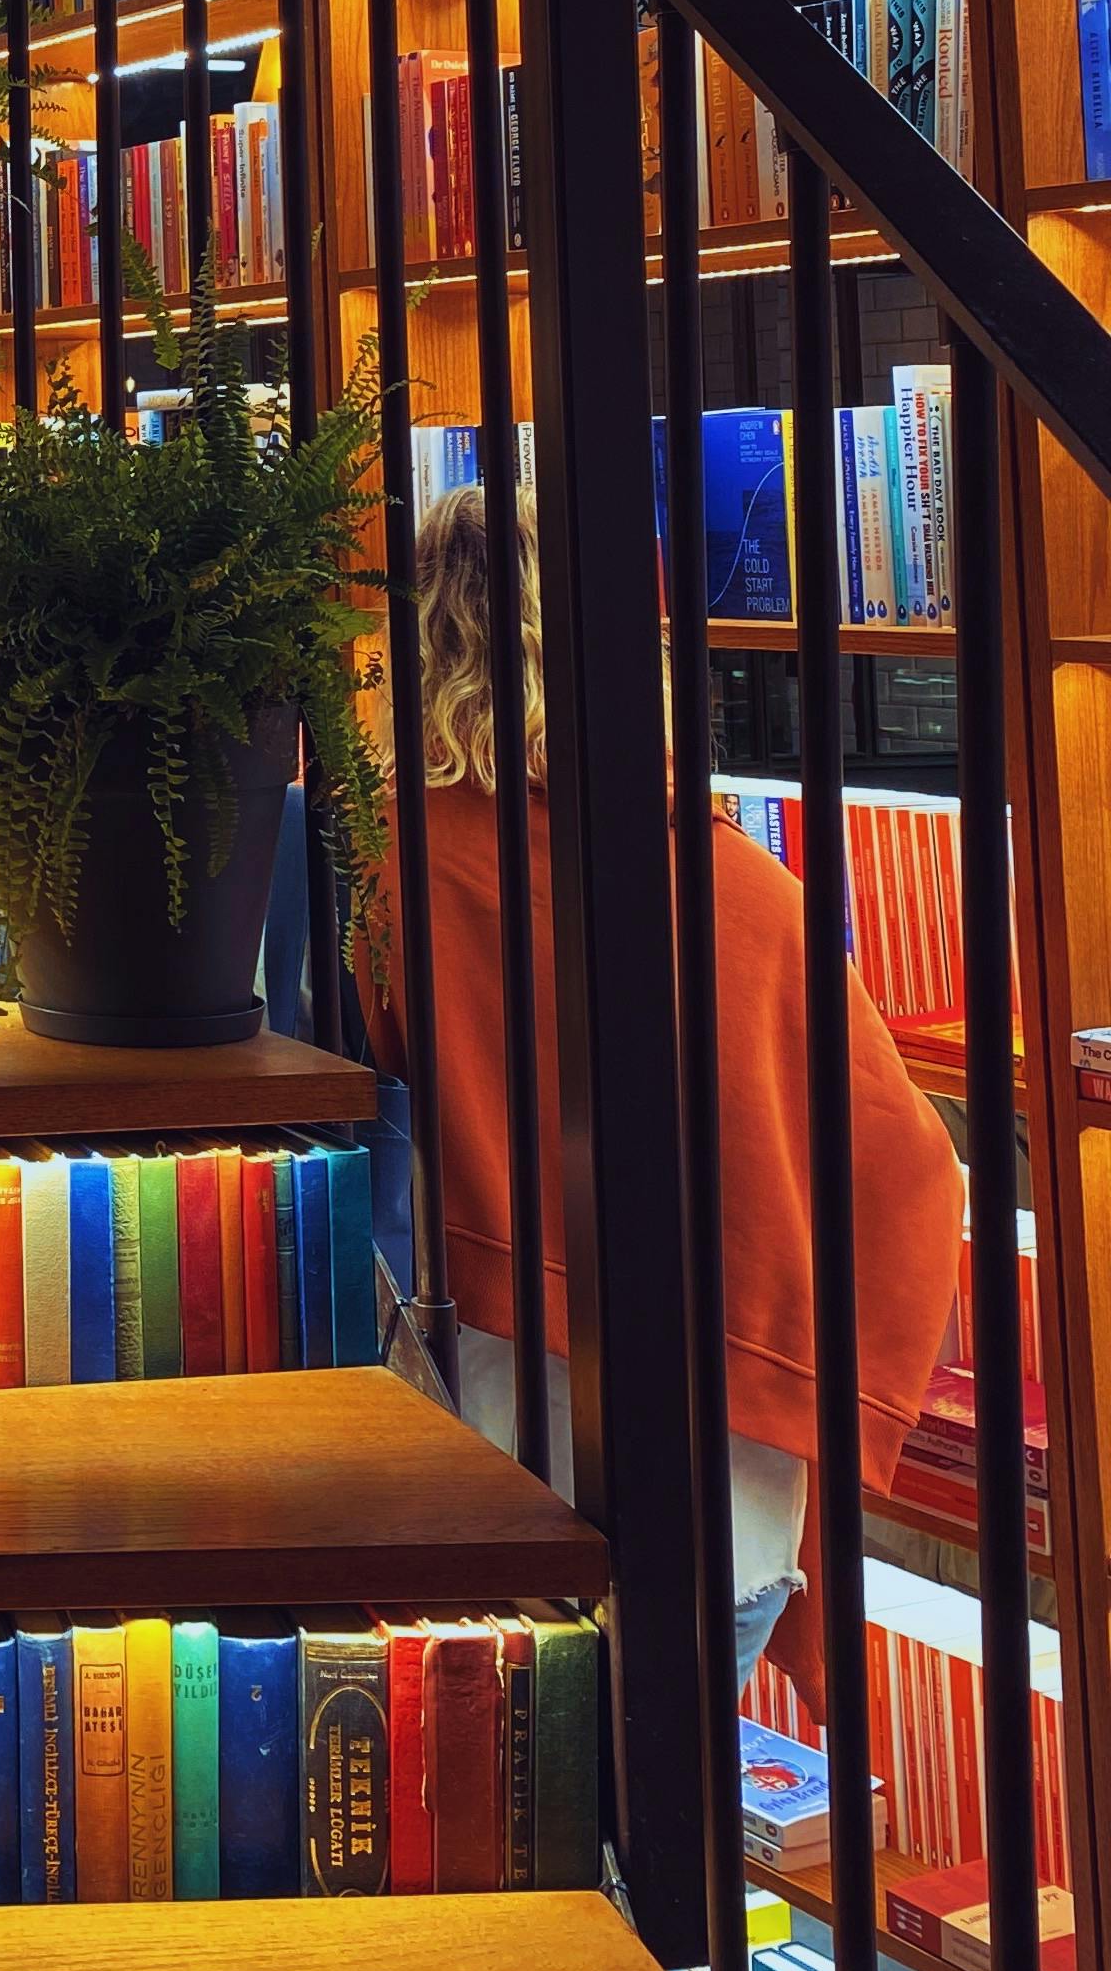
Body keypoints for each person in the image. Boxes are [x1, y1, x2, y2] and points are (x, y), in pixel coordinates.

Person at [397, 477, 962, 1697]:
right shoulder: (740, 892)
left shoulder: (382, 866)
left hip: (456, 1445)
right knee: (663, 1842)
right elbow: (906, 1166)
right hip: (718, 1477)